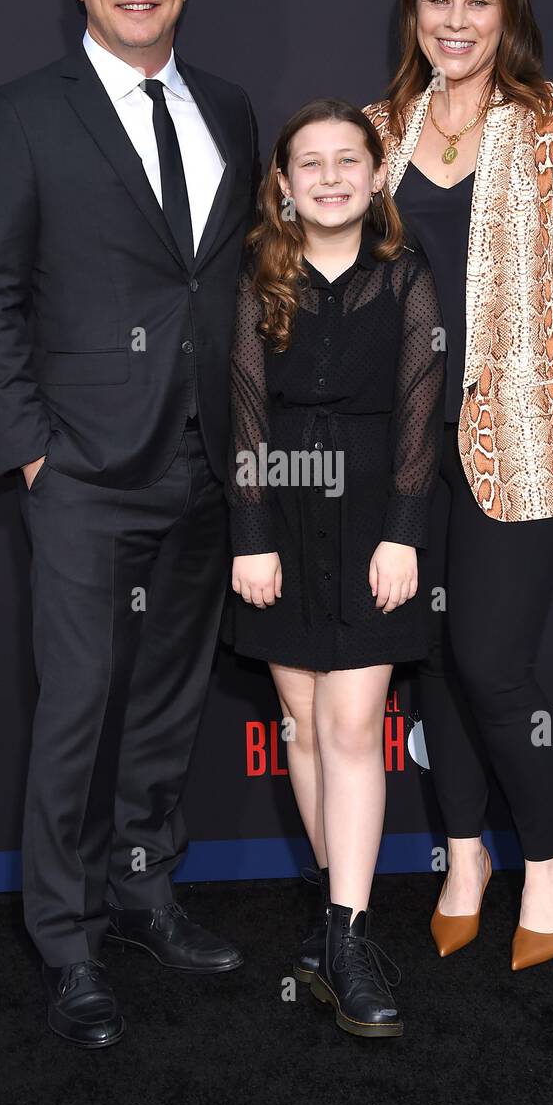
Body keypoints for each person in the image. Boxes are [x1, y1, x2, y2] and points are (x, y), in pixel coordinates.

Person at [0, 0, 259, 1047]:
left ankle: (142, 888)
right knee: (78, 706)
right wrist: (30, 452)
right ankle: (67, 938)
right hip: (80, 469)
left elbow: (220, 285)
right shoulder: (20, 111)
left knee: (168, 705)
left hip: (202, 463)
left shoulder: (229, 108)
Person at [362, 0, 553, 970]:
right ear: (412, 12)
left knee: (486, 660)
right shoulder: (375, 127)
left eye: (475, 1)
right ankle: (462, 855)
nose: (453, 21)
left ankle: (547, 857)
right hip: (401, 445)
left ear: (505, 10)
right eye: (436, 0)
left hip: (522, 428)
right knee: (428, 661)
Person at [224, 99, 444, 1036]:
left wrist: (402, 531)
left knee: (353, 726)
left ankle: (347, 940)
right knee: (304, 727)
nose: (326, 176)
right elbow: (240, 408)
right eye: (307, 163)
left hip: (370, 525)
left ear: (373, 175)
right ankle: (332, 924)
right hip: (277, 518)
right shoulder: (255, 276)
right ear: (282, 183)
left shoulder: (405, 276)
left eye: (345, 161)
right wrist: (249, 534)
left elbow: (420, 407)